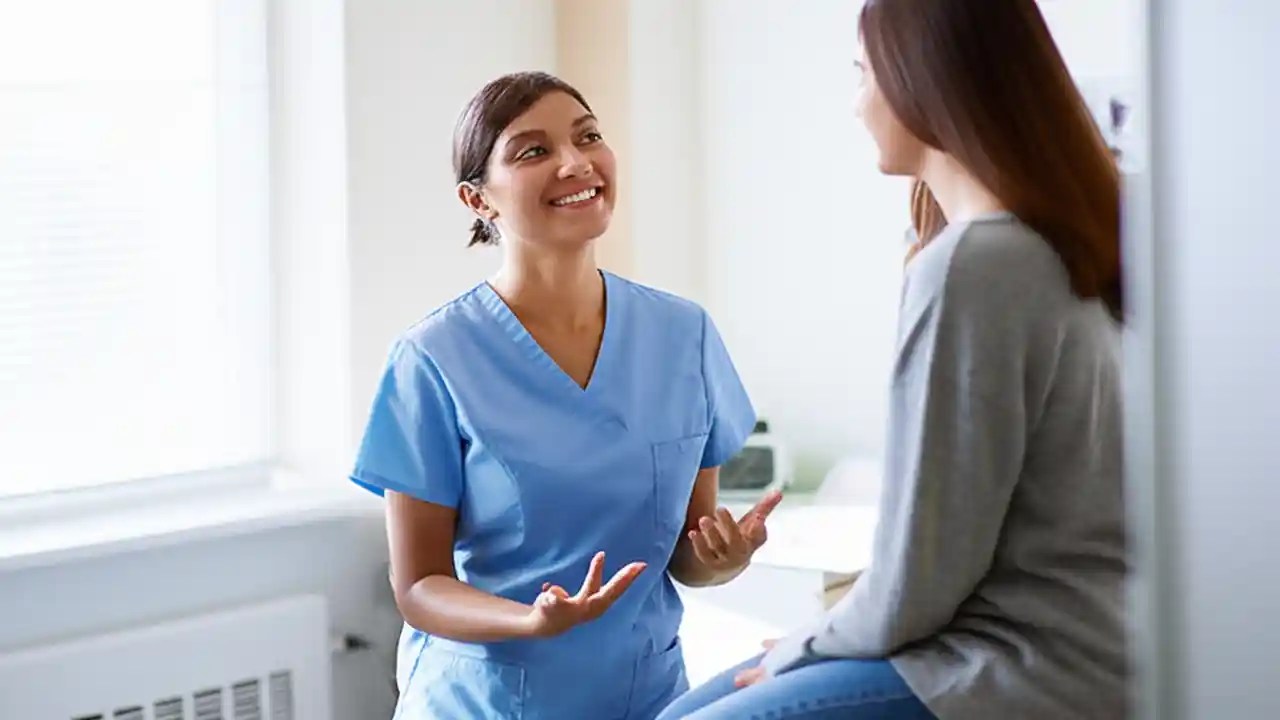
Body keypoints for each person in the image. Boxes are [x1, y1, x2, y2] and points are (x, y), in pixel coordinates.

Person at [659, 0, 1126, 718]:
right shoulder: (1057, 243)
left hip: (1013, 666)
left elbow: (919, 581)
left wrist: (804, 647)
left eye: (860, 76)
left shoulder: (975, 263)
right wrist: (817, 641)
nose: (855, 105)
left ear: (920, 80)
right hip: (1075, 648)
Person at [349, 71, 780, 720]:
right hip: (486, 702)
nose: (576, 162)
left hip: (646, 696)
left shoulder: (682, 335)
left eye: (588, 137)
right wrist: (529, 622)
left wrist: (723, 558)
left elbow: (687, 560)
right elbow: (419, 586)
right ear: (478, 200)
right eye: (533, 151)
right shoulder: (434, 357)